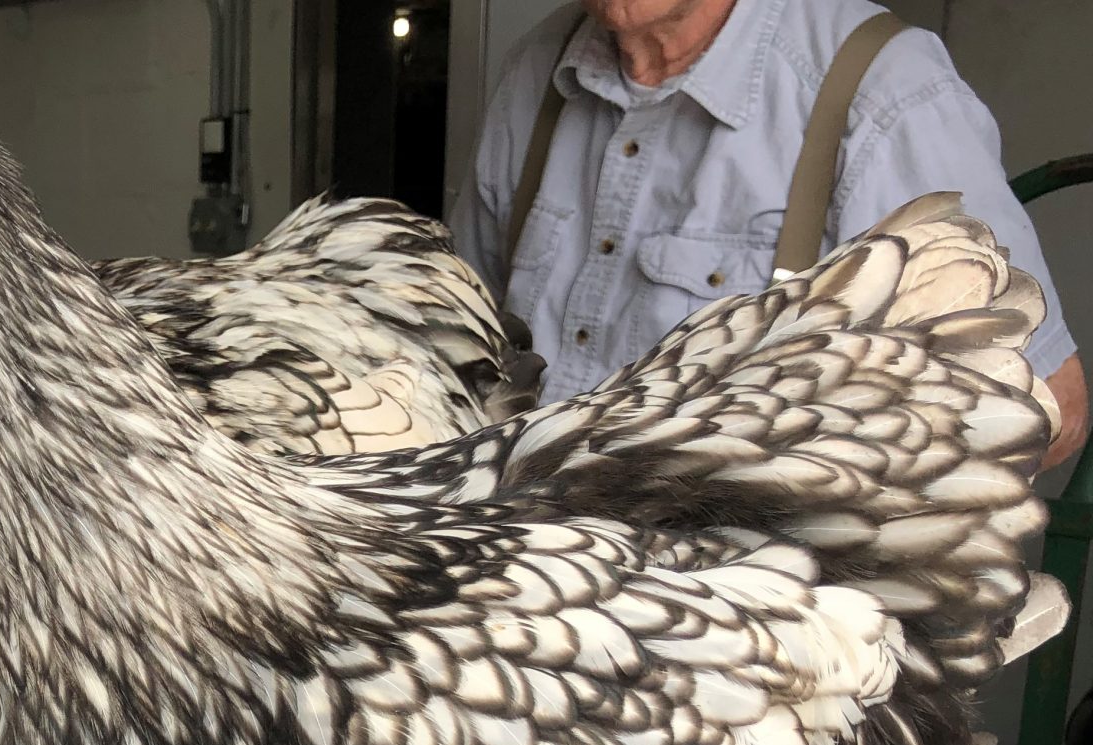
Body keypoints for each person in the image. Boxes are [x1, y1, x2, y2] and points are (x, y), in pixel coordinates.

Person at [450, 0, 1088, 470]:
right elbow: (456, 349)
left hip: (746, 609)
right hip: (520, 581)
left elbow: (1048, 411)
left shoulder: (880, 89)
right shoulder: (536, 73)